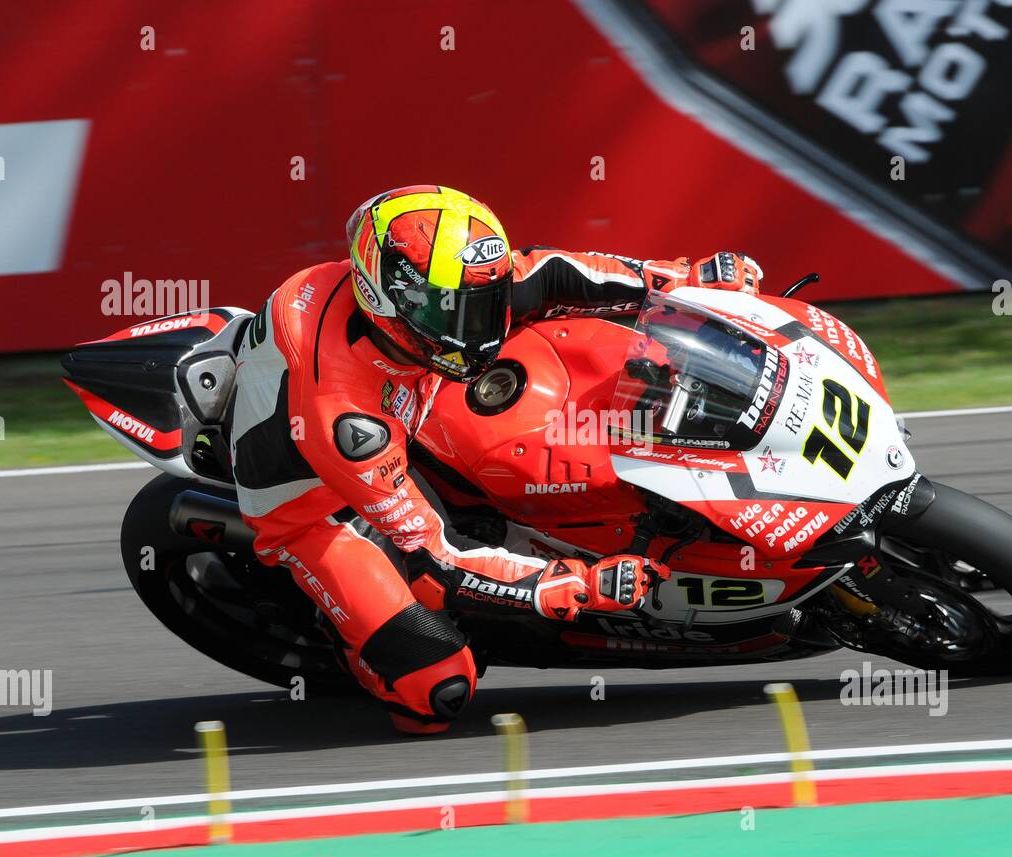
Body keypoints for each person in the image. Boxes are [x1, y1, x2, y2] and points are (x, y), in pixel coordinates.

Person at [230, 184, 763, 733]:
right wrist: (575, 584)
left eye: (485, 302)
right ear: (388, 300)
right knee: (435, 696)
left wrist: (677, 278)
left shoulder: (433, 303)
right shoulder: (346, 421)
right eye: (458, 312)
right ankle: (352, 638)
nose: (484, 326)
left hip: (414, 390)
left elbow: (551, 274)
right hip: (322, 505)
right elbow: (438, 560)